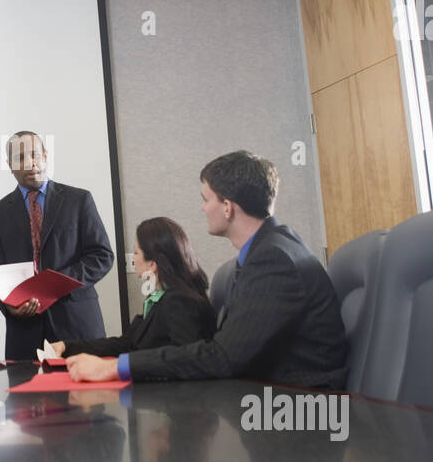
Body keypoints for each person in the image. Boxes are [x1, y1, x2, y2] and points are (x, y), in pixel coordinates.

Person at [67, 151, 349, 389]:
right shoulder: (269, 249)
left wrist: (117, 367)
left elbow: (224, 356)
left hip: (302, 414)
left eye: (206, 199)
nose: (203, 208)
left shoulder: (273, 259)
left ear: (227, 207)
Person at [0, 131, 114, 359]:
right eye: (20, 158)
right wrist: (9, 307)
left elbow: (102, 256)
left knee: (87, 396)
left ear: (45, 155)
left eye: (34, 154)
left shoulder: (79, 200)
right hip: (24, 335)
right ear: (9, 166)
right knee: (25, 395)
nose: (30, 163)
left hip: (78, 327)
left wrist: (57, 283)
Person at [51, 217, 215, 359]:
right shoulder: (159, 299)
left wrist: (121, 367)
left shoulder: (180, 302)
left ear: (152, 264)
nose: (133, 260)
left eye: (136, 253)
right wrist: (67, 347)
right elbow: (125, 344)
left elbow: (183, 358)